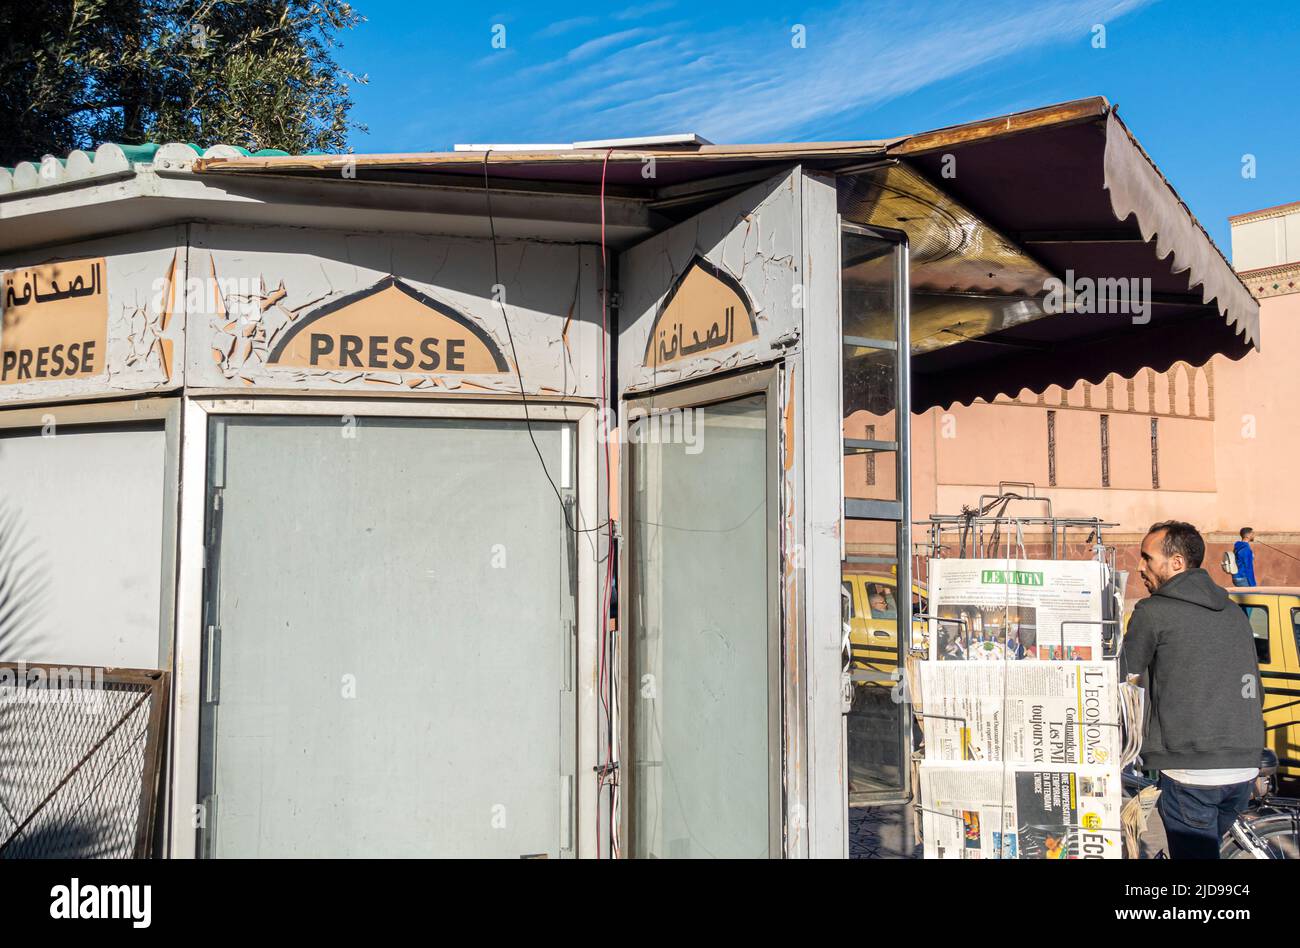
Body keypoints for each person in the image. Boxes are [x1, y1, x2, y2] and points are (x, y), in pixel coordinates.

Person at [1123, 521, 1265, 859]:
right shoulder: (1233, 612)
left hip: (1191, 770)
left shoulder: (1153, 611)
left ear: (1175, 563)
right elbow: (1256, 690)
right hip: (1245, 766)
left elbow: (1119, 672)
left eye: (1147, 558)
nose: (1140, 567)